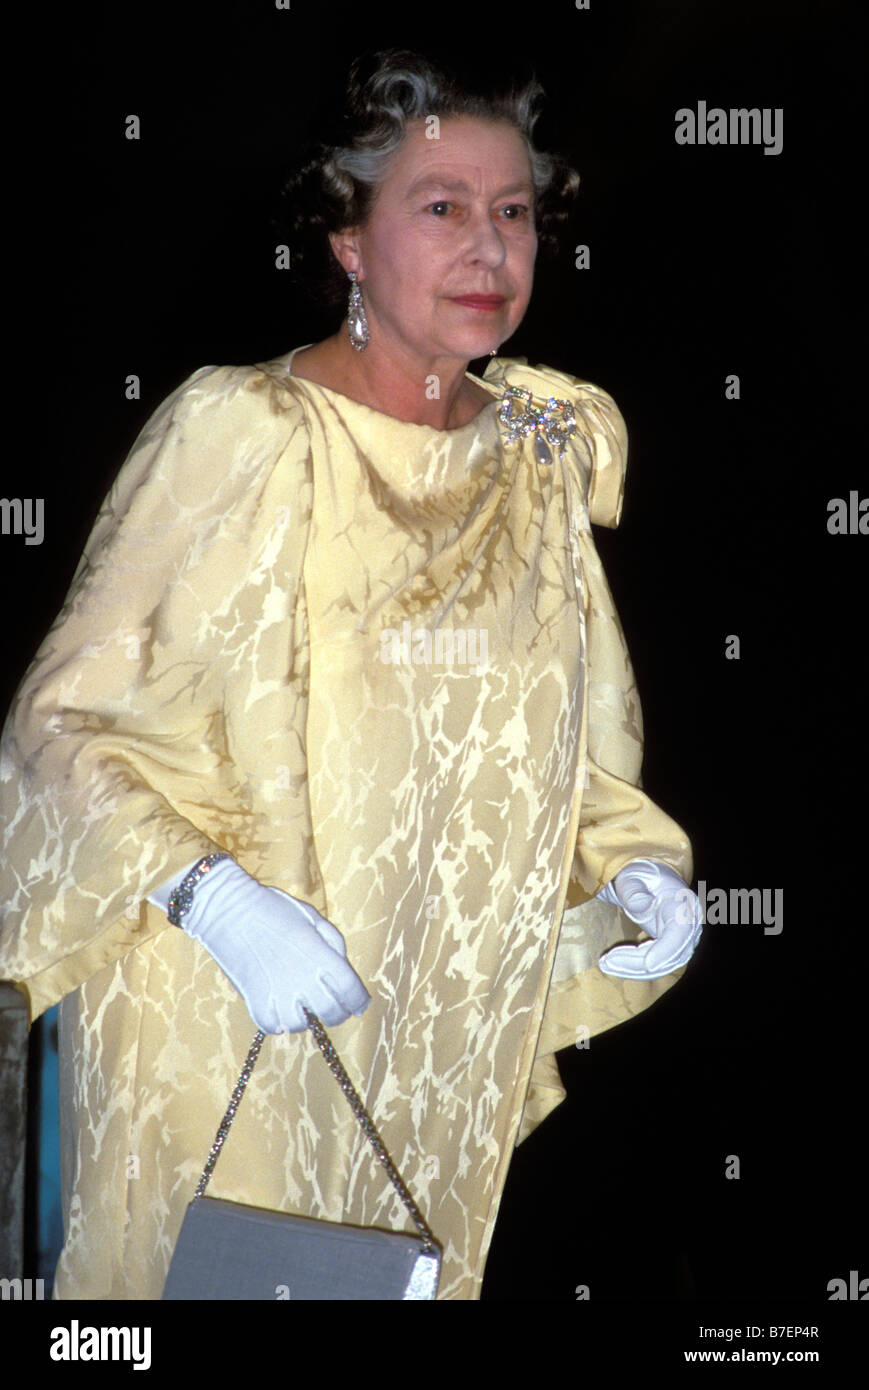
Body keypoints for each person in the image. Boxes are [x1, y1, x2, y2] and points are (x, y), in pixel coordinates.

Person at [0, 49, 703, 1300]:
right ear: (345, 239)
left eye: (513, 213)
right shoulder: (242, 430)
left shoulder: (532, 461)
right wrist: (213, 900)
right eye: (440, 207)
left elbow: (571, 746)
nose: (487, 248)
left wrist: (634, 865)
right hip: (225, 1009)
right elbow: (59, 724)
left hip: (429, 1023)